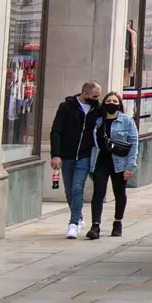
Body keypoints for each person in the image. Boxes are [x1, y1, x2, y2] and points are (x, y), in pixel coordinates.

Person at [48, 81, 101, 239]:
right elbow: (56, 131)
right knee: (69, 190)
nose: (97, 99)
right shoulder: (66, 107)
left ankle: (73, 224)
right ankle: (79, 217)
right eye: (94, 96)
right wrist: (55, 154)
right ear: (85, 94)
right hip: (67, 155)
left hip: (84, 156)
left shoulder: (96, 109)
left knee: (78, 188)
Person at [85, 90, 139, 239]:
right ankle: (95, 226)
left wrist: (130, 166)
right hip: (100, 161)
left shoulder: (127, 121)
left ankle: (117, 223)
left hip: (120, 163)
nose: (111, 104)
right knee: (98, 193)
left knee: (119, 192)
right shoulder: (98, 122)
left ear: (119, 104)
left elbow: (134, 144)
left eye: (115, 102)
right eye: (108, 101)